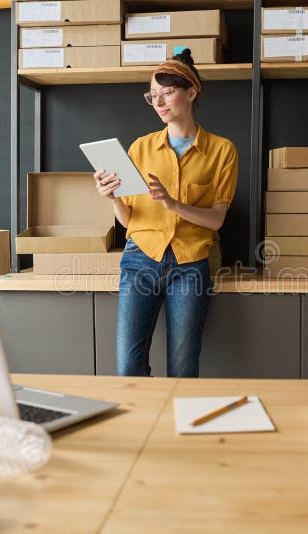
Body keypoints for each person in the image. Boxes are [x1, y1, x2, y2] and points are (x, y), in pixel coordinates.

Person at [93, 49, 238, 378]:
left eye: (167, 93)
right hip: (139, 259)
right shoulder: (139, 149)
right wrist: (113, 198)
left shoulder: (222, 151)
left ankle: (175, 427)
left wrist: (173, 204)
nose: (159, 102)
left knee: (183, 368)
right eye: (153, 95)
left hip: (189, 265)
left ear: (191, 92)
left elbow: (216, 220)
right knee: (128, 366)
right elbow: (129, 219)